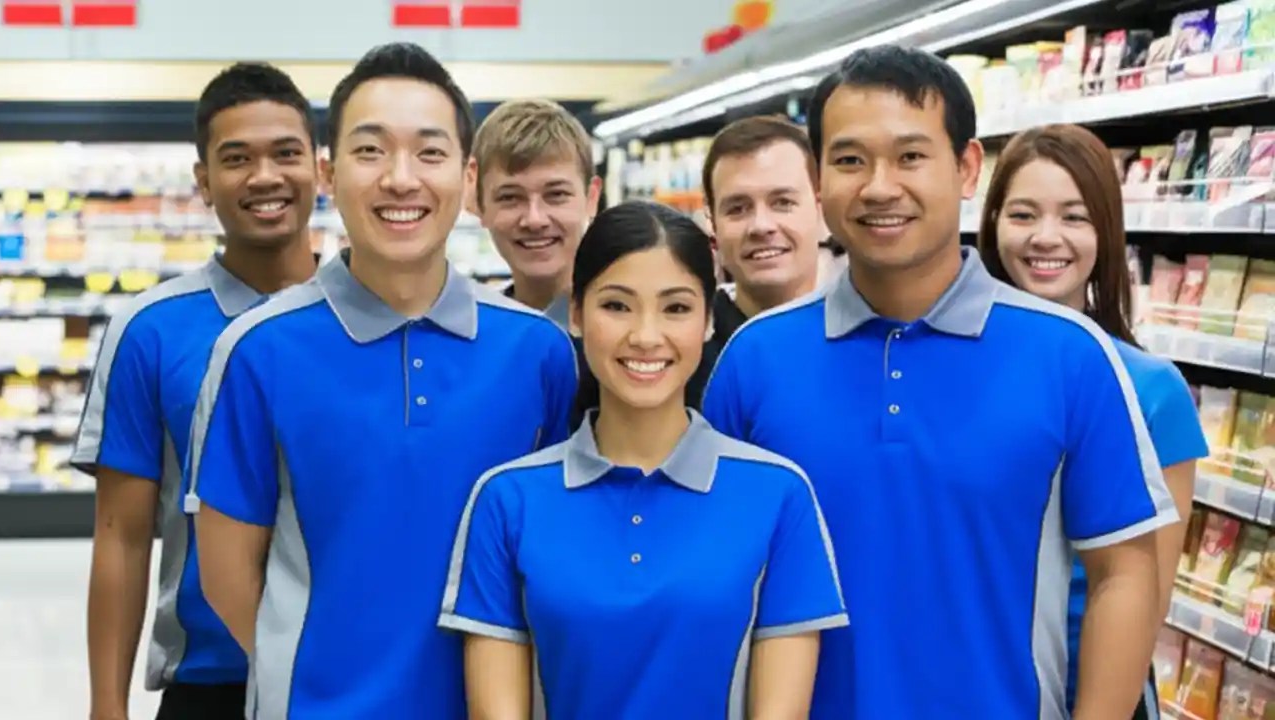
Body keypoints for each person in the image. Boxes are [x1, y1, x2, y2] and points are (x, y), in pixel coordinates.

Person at [702, 44, 1177, 720]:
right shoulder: (754, 360)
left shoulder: (1069, 356)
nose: (879, 187)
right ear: (819, 179)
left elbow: (1122, 573)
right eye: (849, 160)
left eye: (910, 156)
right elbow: (715, 576)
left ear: (967, 167)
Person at [185, 43, 577, 719]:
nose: (401, 179)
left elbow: (557, 554)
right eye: (370, 151)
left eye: (429, 152)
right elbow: (227, 574)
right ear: (330, 172)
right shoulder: (257, 349)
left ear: (468, 176)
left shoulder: (537, 351)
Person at [438, 200, 847, 719]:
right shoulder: (507, 500)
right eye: (617, 305)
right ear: (577, 313)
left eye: (676, 308)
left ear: (707, 320)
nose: (646, 336)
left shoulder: (778, 494)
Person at [69, 63, 319, 720]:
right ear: (203, 181)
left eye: (286, 154)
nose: (264, 176)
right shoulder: (150, 331)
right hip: (211, 683)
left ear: (320, 169)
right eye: (237, 159)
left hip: (352, 675)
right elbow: (121, 537)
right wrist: (106, 707)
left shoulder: (372, 317)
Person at [977, 123, 1207, 720]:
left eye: (1074, 217)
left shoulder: (1152, 391)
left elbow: (1146, 596)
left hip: (1092, 694)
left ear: (1106, 231)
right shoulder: (950, 372)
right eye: (1023, 215)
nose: (1046, 237)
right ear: (992, 222)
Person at [466, 98, 600, 327]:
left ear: (591, 198)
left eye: (556, 194)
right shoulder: (472, 330)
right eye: (510, 197)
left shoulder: (628, 332)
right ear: (479, 205)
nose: (534, 220)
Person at [701, 115, 824, 347]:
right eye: (737, 209)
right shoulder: (689, 356)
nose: (761, 226)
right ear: (713, 225)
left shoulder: (874, 340)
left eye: (783, 203)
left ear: (821, 208)